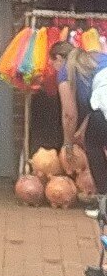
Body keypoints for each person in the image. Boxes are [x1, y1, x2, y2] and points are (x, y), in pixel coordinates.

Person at [50, 40, 107, 194]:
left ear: (59, 58)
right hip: (102, 108)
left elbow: (69, 114)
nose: (54, 69)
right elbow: (94, 108)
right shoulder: (97, 58)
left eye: (52, 64)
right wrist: (82, 130)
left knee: (93, 145)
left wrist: (67, 144)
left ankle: (103, 200)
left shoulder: (65, 70)